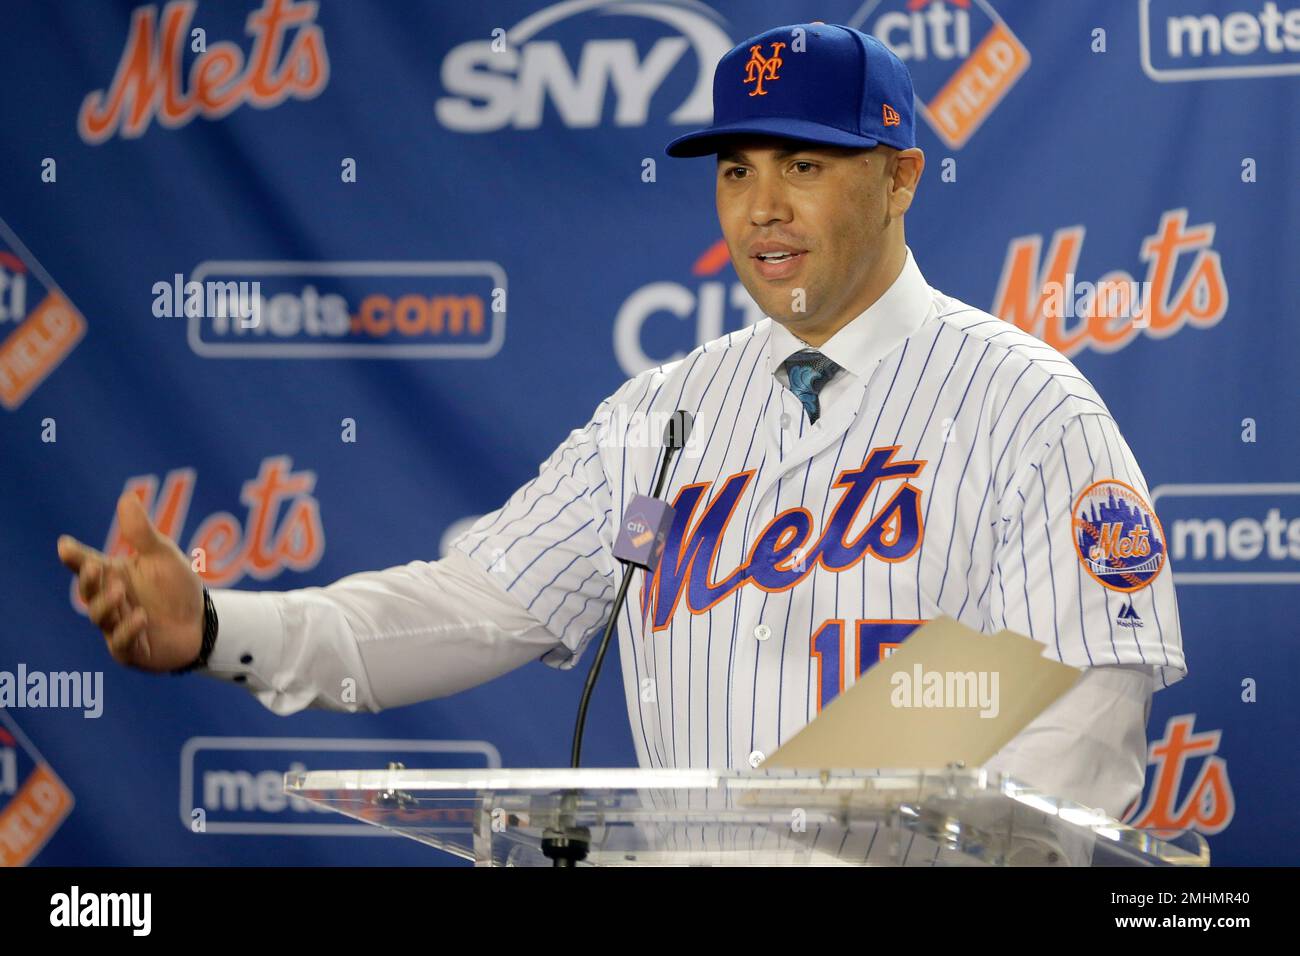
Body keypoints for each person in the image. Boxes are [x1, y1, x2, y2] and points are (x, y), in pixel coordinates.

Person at [56, 22, 1185, 821]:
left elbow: (1083, 720)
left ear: (899, 177)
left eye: (804, 162)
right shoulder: (662, 413)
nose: (762, 206)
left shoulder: (1029, 408)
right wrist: (218, 628)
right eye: (735, 168)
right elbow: (467, 605)